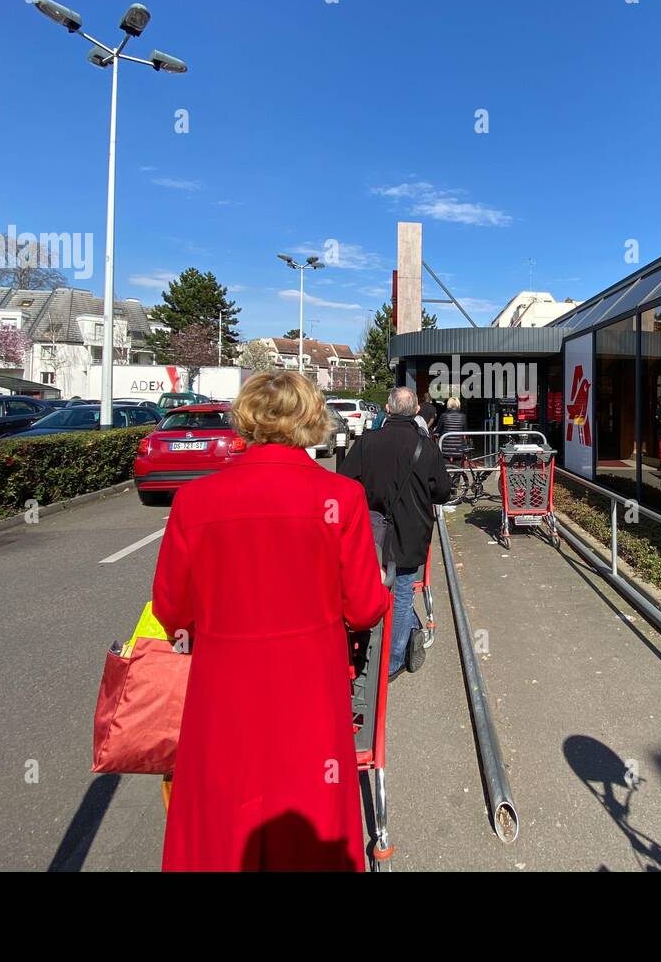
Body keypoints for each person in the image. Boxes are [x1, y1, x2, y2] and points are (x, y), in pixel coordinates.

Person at [152, 371, 387, 872]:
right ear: (311, 420)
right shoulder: (341, 498)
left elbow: (171, 610)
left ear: (247, 419)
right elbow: (365, 606)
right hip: (309, 690)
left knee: (220, 819)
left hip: (222, 692)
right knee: (309, 814)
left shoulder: (195, 500)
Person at [341, 386, 451, 675]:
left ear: (386, 410)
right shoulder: (426, 447)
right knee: (402, 595)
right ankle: (392, 662)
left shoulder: (367, 442)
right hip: (411, 532)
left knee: (365, 588)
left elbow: (345, 482)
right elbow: (443, 492)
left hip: (370, 531)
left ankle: (363, 652)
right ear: (416, 411)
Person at [437, 395, 469, 461]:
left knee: (445, 469)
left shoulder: (443, 416)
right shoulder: (463, 416)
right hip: (459, 449)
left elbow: (438, 431)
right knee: (458, 469)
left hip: (445, 450)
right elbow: (465, 432)